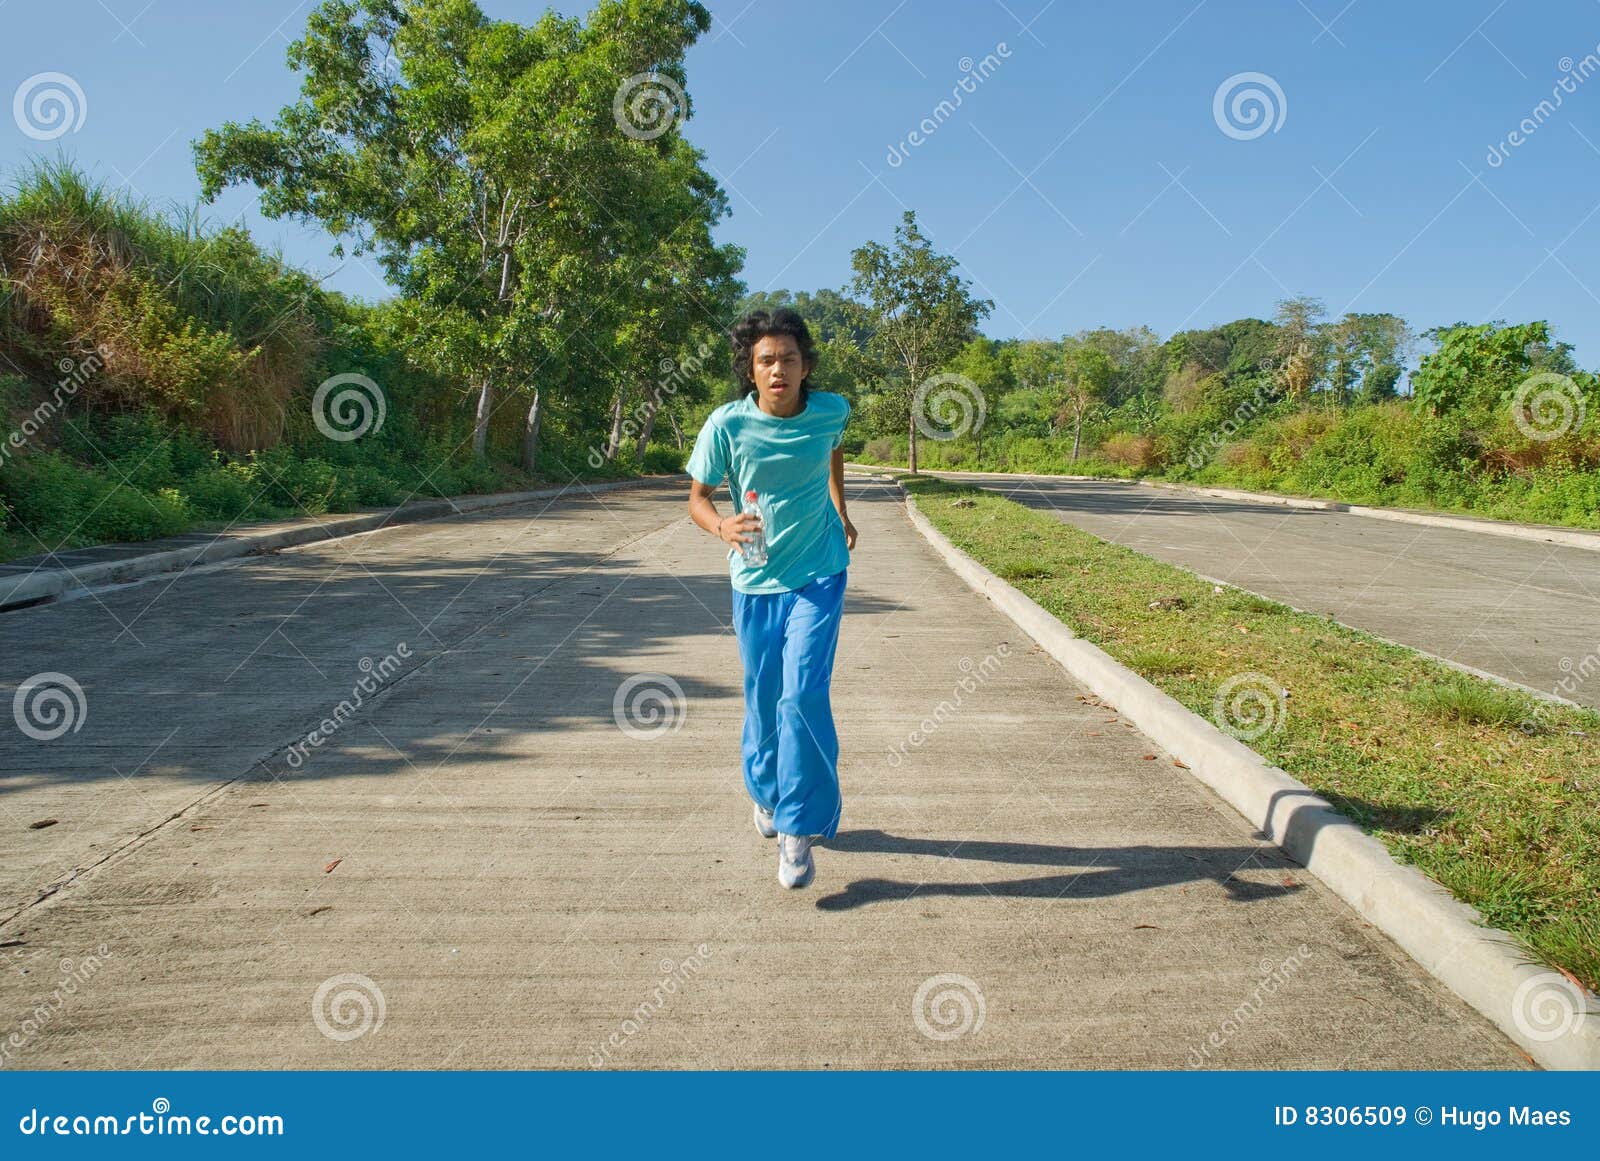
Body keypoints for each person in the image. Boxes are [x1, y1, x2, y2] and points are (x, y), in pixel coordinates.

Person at [685, 308, 857, 889]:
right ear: (751, 371)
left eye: (788, 358)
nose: (777, 368)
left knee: (801, 694)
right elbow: (698, 498)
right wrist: (721, 528)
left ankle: (797, 826)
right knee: (763, 699)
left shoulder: (831, 409)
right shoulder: (726, 426)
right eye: (765, 360)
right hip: (755, 579)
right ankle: (764, 791)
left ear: (805, 366)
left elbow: (833, 447)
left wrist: (840, 506)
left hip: (821, 572)